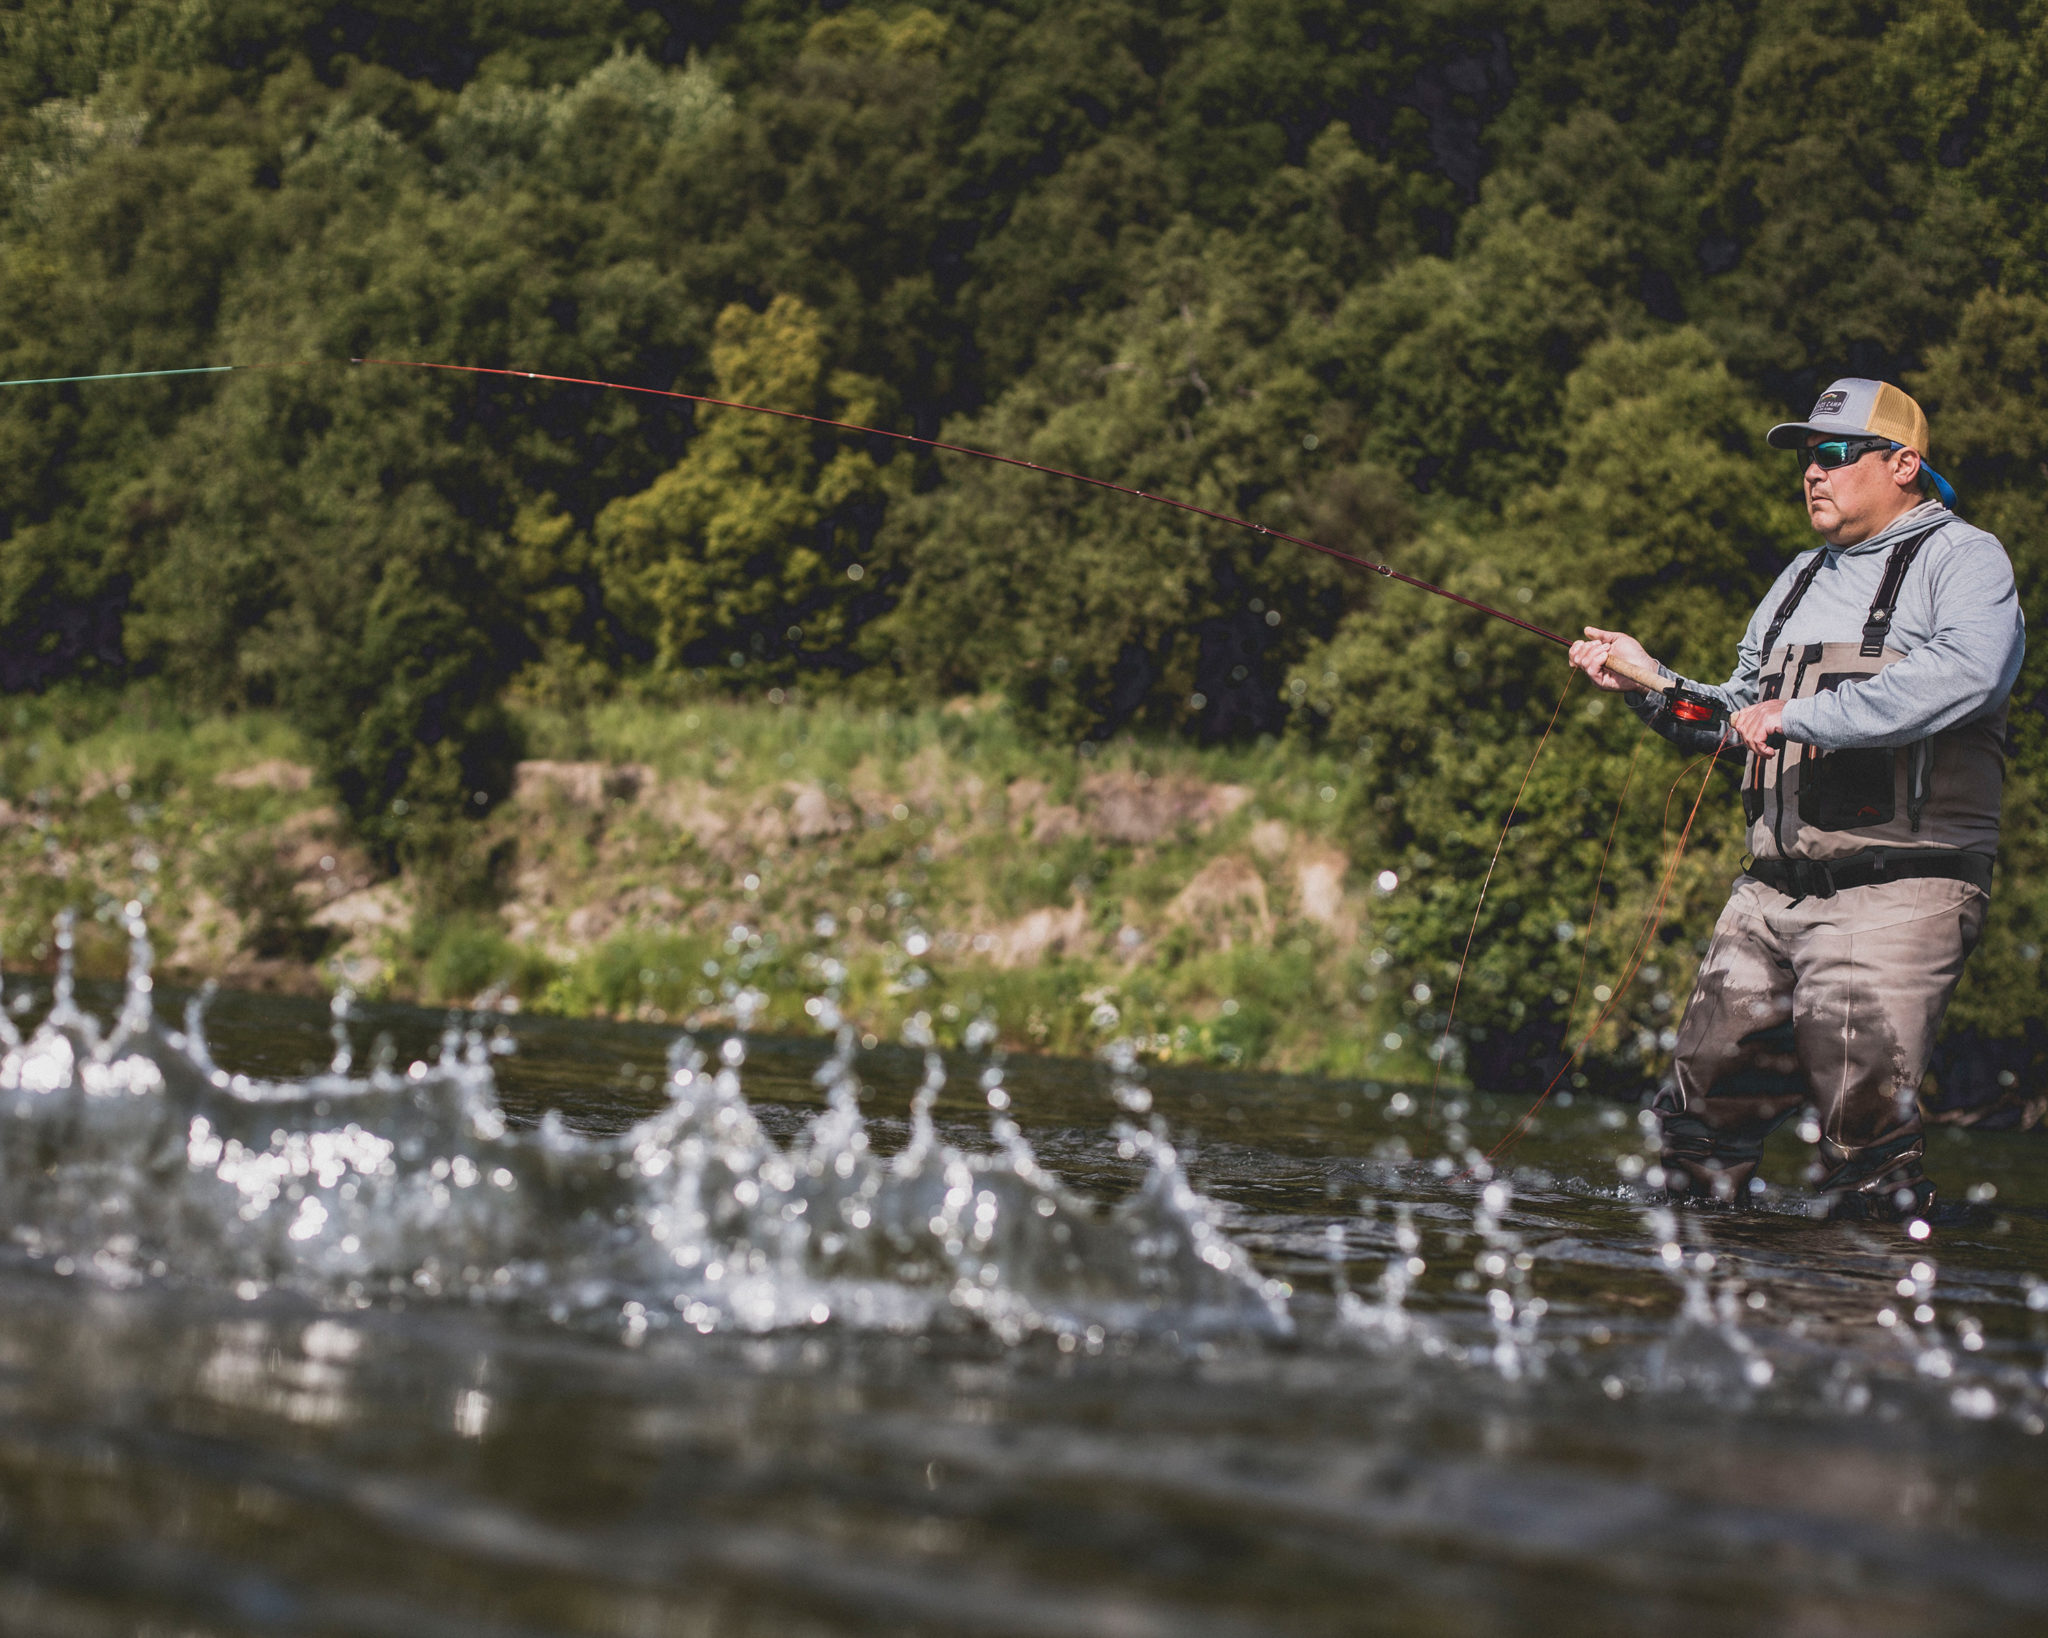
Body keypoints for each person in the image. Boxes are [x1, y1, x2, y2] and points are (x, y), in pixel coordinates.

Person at [1567, 378, 2025, 1219]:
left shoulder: (1964, 558)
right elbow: (1738, 716)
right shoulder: (1795, 581)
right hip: (1769, 895)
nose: (1812, 473)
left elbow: (1969, 672)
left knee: (1863, 1137)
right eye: (1806, 459)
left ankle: (1876, 1325)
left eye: (1834, 455)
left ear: (1903, 464)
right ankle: (1706, 1326)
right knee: (1698, 1125)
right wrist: (1652, 683)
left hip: (1900, 889)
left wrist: (1806, 713)